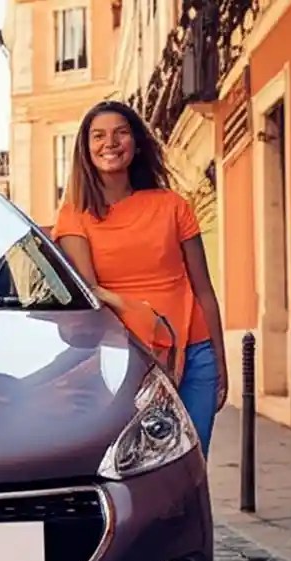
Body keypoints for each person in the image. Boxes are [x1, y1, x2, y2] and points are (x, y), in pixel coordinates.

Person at [51, 100, 227, 456]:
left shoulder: (173, 206)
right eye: (98, 136)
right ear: (86, 149)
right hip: (131, 356)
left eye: (121, 132)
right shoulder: (75, 216)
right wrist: (140, 311)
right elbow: (90, 293)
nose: (110, 143)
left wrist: (221, 361)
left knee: (192, 461)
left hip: (195, 350)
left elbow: (204, 290)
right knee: (147, 466)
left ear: (136, 142)